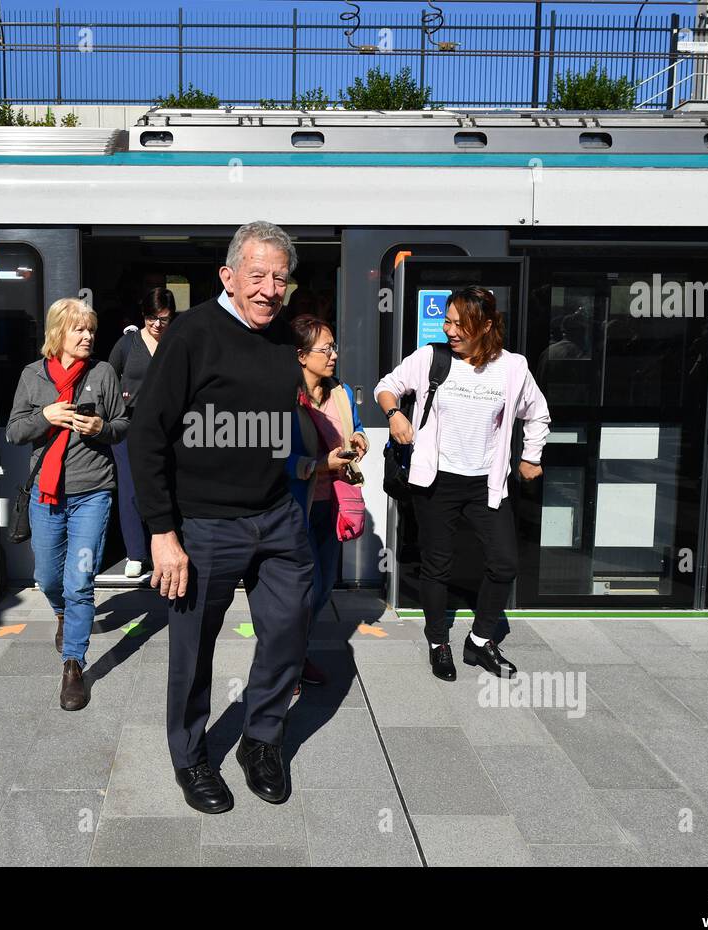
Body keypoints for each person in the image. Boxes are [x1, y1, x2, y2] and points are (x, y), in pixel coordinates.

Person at [129, 220, 312, 815]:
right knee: (193, 647)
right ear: (228, 277)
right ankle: (189, 756)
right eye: (256, 276)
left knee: (288, 630)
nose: (268, 289)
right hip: (203, 526)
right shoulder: (192, 335)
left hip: (276, 517)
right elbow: (147, 436)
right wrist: (163, 532)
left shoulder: (286, 338)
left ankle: (261, 740)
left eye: (279, 279)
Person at [375, 287, 550, 682]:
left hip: (486, 484)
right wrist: (394, 415)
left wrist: (530, 457)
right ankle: (438, 643)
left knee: (504, 562)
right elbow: (386, 386)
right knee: (437, 566)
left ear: (486, 326)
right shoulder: (430, 358)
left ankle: (480, 639)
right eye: (448, 320)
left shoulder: (513, 368)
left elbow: (538, 414)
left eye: (460, 323)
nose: (450, 330)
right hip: (436, 483)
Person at [7, 297, 129, 710]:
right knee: (47, 575)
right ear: (58, 333)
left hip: (93, 492)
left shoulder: (103, 372)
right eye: (79, 329)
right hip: (46, 494)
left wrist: (101, 427)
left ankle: (73, 664)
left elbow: (122, 424)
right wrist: (47, 416)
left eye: (90, 329)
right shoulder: (33, 376)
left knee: (80, 580)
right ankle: (62, 613)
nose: (87, 336)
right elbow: (14, 432)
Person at [286, 315, 368, 693]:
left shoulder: (341, 392)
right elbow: (277, 455)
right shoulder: (284, 396)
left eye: (334, 347)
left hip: (332, 504)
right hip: (295, 505)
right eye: (325, 349)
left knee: (321, 591)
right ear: (302, 356)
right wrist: (321, 466)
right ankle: (286, 660)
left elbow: (356, 426)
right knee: (301, 590)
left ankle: (295, 655)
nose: (334, 355)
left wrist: (360, 439)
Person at [108, 287, 176, 578]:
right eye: (152, 318)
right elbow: (107, 378)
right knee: (130, 489)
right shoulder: (127, 344)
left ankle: (169, 545)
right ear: (143, 315)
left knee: (167, 484)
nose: (157, 325)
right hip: (129, 424)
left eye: (164, 318)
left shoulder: (176, 342)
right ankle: (136, 552)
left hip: (167, 425)